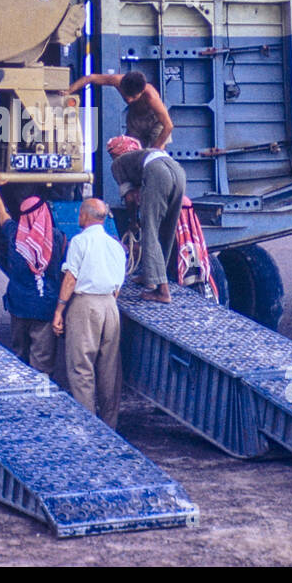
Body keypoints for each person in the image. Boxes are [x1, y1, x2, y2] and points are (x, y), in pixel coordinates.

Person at [51, 197, 126, 427]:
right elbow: (118, 285)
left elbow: (71, 278)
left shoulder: (79, 242)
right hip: (110, 306)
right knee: (109, 369)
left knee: (81, 367)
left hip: (86, 305)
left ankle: (88, 427)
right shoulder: (115, 245)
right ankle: (109, 426)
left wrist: (59, 310)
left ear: (84, 215)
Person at [0, 172, 66, 374]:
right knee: (42, 362)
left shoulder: (14, 234)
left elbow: (1, 214)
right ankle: (40, 398)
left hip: (19, 306)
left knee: (19, 356)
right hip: (45, 308)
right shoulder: (57, 239)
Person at [108, 134, 187, 303]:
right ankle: (151, 275)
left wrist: (133, 221)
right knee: (167, 229)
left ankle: (162, 291)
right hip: (178, 170)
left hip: (158, 172)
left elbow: (129, 198)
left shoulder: (117, 164)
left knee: (149, 229)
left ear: (115, 153)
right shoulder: (143, 155)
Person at [67, 70, 173, 148]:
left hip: (155, 120)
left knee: (157, 153)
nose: (129, 100)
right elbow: (91, 78)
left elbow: (168, 126)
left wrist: (156, 150)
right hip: (135, 116)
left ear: (142, 92)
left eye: (134, 97)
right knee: (130, 149)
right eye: (127, 96)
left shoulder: (152, 97)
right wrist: (69, 90)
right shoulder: (117, 80)